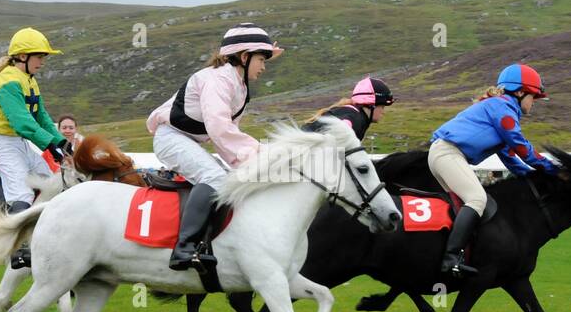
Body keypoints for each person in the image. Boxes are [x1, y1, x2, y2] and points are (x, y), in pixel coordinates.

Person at [147, 23, 281, 270]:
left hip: (189, 140)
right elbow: (220, 129)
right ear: (244, 57)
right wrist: (261, 155)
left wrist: (245, 165)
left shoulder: (239, 86)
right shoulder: (218, 80)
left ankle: (206, 244)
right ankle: (184, 248)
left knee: (230, 180)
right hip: (171, 138)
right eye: (262, 60)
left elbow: (228, 137)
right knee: (216, 178)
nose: (263, 67)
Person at [428, 63, 559, 276]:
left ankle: (448, 254)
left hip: (444, 154)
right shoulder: (503, 108)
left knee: (458, 207)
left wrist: (534, 177)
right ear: (519, 92)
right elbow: (521, 147)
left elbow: (510, 157)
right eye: (533, 96)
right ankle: (450, 258)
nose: (534, 102)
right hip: (448, 154)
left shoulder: (499, 108)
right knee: (477, 200)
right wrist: (553, 170)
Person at [0, 27, 73, 269]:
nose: (42, 62)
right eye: (39, 56)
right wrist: (51, 144)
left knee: (52, 181)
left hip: (21, 143)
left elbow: (42, 117)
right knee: (21, 194)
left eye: (44, 57)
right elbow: (23, 122)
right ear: (23, 56)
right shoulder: (8, 80)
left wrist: (62, 143)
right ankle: (16, 251)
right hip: (5, 144)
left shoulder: (30, 80)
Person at [314, 76, 395, 142]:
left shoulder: (351, 113)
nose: (383, 112)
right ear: (372, 105)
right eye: (382, 107)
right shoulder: (355, 120)